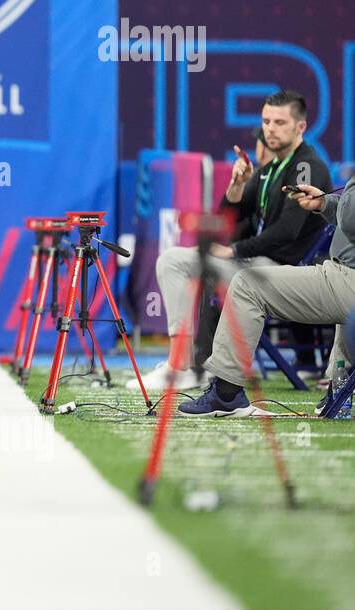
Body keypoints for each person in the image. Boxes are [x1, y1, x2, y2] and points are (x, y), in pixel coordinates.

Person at [134, 91, 330, 390]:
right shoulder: (269, 170)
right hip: (258, 261)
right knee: (172, 260)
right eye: (266, 121)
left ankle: (199, 365)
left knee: (212, 270)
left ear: (300, 127)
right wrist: (237, 185)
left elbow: (288, 231)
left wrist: (235, 250)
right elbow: (227, 217)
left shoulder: (306, 166)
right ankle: (181, 361)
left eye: (279, 122)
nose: (270, 129)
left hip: (284, 268)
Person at [180, 174, 355, 417]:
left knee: (247, 285)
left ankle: (226, 393)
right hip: (345, 275)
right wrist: (326, 203)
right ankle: (340, 391)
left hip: (349, 278)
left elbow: (351, 219)